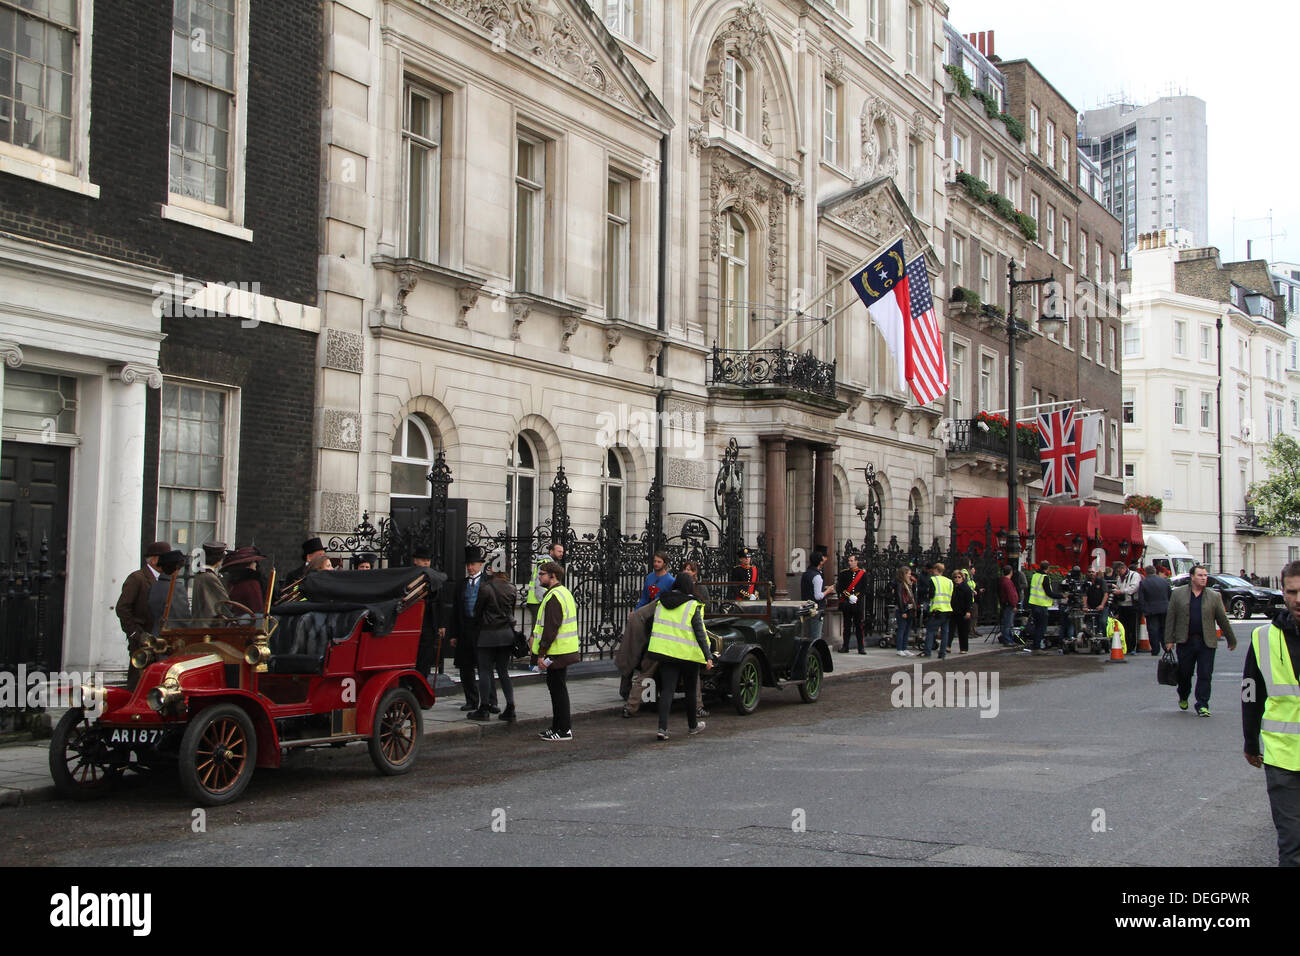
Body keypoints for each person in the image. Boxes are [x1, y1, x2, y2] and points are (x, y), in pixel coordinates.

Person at [1243, 560, 1300, 866]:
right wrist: (1250, 742)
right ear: (1283, 591)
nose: (1299, 599)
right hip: (1283, 758)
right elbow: (1251, 694)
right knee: (1292, 845)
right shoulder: (1264, 637)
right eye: (1292, 592)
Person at [646, 572, 714, 741]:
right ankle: (692, 726)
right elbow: (700, 632)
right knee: (690, 691)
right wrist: (708, 656)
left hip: (666, 652)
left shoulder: (662, 602)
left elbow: (650, 623)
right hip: (687, 655)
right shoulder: (692, 605)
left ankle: (662, 728)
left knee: (667, 690)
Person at [1166, 564, 1235, 715]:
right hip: (1185, 641)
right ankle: (1183, 695)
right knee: (1185, 674)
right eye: (1200, 575)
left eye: (1205, 575)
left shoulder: (1214, 596)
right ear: (1192, 577)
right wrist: (1169, 639)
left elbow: (1222, 619)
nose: (1204, 578)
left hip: (1206, 642)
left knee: (1205, 674)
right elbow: (1171, 617)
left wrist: (1231, 639)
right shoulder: (1178, 594)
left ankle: (1202, 704)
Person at [443, 546, 495, 714]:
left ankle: (490, 702)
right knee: (466, 668)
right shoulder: (462, 584)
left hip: (482, 630)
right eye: (468, 565)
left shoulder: (488, 582)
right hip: (465, 629)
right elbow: (455, 609)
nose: (470, 568)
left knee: (484, 667)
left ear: (480, 565)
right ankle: (471, 700)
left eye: (473, 564)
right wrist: (453, 633)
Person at [532, 560, 580, 741]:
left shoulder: (554, 597)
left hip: (557, 652)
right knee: (558, 689)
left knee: (558, 690)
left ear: (553, 576)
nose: (539, 577)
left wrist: (542, 653)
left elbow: (551, 628)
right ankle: (557, 727)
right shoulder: (563, 593)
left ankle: (563, 729)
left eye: (542, 574)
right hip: (564, 650)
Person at [115, 541, 169, 689]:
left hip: (162, 640)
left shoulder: (168, 581)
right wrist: (135, 634)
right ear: (154, 559)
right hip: (142, 640)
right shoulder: (137, 578)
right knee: (137, 682)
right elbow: (122, 608)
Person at [467, 570, 517, 722]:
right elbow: (511, 611)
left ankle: (484, 707)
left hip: (488, 635)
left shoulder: (485, 588)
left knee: (484, 670)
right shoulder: (512, 588)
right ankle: (510, 706)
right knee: (503, 671)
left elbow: (477, 611)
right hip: (506, 635)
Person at [411, 546, 441, 681]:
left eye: (428, 560)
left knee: (425, 659)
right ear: (415, 561)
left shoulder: (434, 578)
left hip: (428, 624)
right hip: (412, 624)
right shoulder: (409, 576)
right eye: (423, 560)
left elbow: (440, 603)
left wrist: (441, 625)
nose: (426, 563)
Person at [524, 541, 566, 630]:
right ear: (551, 551)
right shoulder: (546, 562)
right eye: (559, 551)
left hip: (537, 600)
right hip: (537, 601)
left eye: (562, 552)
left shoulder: (550, 562)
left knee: (538, 629)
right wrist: (544, 601)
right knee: (536, 630)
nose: (561, 554)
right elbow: (539, 583)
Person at [148, 550, 191, 632]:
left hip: (155, 633)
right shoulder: (177, 588)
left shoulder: (154, 586)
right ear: (176, 569)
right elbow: (182, 616)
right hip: (172, 635)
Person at [836, 553, 868, 654]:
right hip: (847, 602)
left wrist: (856, 596)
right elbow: (840, 587)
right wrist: (849, 596)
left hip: (857, 604)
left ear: (856, 561)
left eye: (851, 561)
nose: (849, 563)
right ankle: (845, 646)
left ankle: (861, 647)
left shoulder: (862, 574)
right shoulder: (844, 573)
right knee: (847, 625)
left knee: (859, 625)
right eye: (849, 561)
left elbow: (864, 589)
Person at [1138, 564, 1171, 656]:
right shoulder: (1164, 581)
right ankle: (1166, 647)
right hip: (1164, 608)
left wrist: (1143, 609)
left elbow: (1141, 599)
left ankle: (1155, 649)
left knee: (1153, 630)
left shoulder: (1144, 583)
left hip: (1151, 610)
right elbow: (1169, 594)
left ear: (1146, 572)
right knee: (1164, 628)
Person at [190, 541, 230, 620]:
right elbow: (224, 600)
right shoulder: (209, 577)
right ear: (218, 559)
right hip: (209, 624)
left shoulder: (200, 574)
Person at [279, 536, 325, 600]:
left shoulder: (326, 573)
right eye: (320, 555)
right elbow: (288, 595)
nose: (323, 558)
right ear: (309, 557)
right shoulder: (294, 575)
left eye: (324, 555)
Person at [1025, 563, 1057, 653]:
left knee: (1037, 626)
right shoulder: (1044, 577)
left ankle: (1036, 645)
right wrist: (1061, 596)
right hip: (1042, 605)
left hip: (1034, 604)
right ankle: (1037, 647)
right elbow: (1049, 593)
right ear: (1048, 568)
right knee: (1041, 627)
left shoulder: (1035, 575)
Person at [223, 546, 266, 612]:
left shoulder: (232, 583)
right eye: (255, 562)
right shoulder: (252, 584)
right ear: (250, 564)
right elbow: (257, 609)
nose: (256, 564)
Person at [1112, 561, 1143, 653]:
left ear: (1124, 568)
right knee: (1124, 627)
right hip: (1122, 605)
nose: (1118, 573)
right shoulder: (1119, 578)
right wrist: (1117, 589)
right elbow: (1119, 587)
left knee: (1133, 627)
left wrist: (1121, 591)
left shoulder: (1134, 575)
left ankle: (1133, 646)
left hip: (1132, 605)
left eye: (1119, 571)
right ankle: (1126, 646)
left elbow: (1133, 588)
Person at [923, 562, 952, 659]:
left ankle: (927, 651)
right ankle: (942, 653)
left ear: (936, 570)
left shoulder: (933, 580)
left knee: (930, 631)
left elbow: (930, 595)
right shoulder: (949, 581)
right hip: (947, 609)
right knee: (945, 633)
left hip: (937, 609)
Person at [801, 551, 827, 643]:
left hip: (806, 608)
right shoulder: (817, 576)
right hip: (815, 609)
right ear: (820, 562)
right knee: (815, 636)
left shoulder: (806, 573)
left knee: (807, 634)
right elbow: (818, 596)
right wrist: (828, 591)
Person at [948, 568, 974, 653]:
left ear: (962, 578)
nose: (957, 579)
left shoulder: (966, 588)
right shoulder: (952, 587)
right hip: (953, 611)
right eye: (955, 577)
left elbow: (969, 601)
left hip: (963, 612)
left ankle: (963, 648)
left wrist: (968, 611)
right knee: (950, 630)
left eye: (959, 577)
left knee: (963, 631)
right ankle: (948, 646)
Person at [1083, 568, 1111, 642]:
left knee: (1102, 622)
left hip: (1102, 606)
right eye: (1089, 572)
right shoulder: (1086, 583)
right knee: (1089, 624)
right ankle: (1090, 639)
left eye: (1093, 572)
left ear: (1096, 573)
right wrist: (1085, 606)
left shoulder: (1101, 582)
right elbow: (1084, 595)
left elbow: (1106, 594)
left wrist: (1102, 605)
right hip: (1091, 606)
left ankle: (1105, 639)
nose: (1091, 573)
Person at [895, 567, 916, 657]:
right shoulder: (900, 584)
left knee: (907, 629)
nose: (910, 575)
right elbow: (899, 597)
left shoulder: (909, 584)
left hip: (910, 608)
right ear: (904, 574)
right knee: (902, 629)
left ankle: (904, 648)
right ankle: (899, 648)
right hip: (903, 609)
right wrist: (902, 610)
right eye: (908, 573)